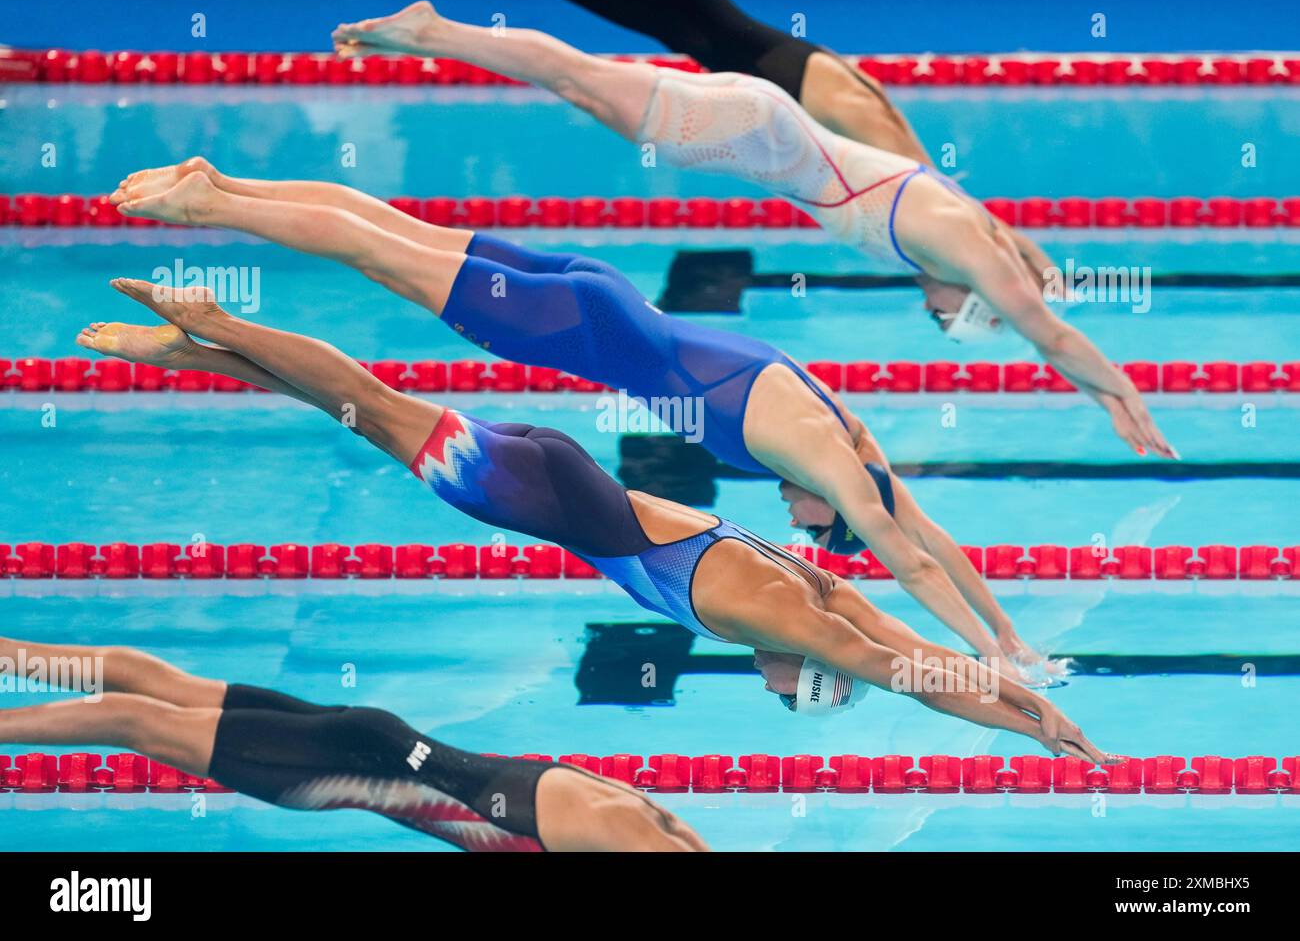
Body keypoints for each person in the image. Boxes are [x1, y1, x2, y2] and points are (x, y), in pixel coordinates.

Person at [71, 276, 1115, 764]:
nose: (765, 681)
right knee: (374, 407)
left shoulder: (812, 587)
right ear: (812, 669)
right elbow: (917, 677)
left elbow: (904, 642)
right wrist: (1040, 727)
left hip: (562, 465)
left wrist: (1031, 705)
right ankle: (221, 326)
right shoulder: (798, 623)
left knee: (371, 409)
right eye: (787, 691)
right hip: (537, 496)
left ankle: (192, 353)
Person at [109, 156, 1048, 676]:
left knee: (394, 233)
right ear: (834, 508)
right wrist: (980, 658)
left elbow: (924, 531)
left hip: (604, 298)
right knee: (377, 254)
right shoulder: (834, 470)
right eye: (817, 524)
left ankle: (227, 188)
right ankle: (208, 205)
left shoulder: (847, 435)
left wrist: (1006, 636)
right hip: (571, 327)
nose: (798, 522)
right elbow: (910, 553)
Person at [329, 1, 1178, 460]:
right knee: (579, 79)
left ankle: (434, 35)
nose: (931, 309)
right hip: (753, 132)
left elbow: (1029, 297)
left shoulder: (953, 239)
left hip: (756, 134)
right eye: (943, 315)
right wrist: (1118, 394)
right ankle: (431, 32)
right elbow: (1048, 330)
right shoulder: (958, 246)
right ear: (974, 297)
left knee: (585, 88)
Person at [0, 635, 707, 851]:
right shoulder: (635, 841)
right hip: (330, 767)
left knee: (155, 684)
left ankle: (9, 654)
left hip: (367, 735)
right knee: (130, 718)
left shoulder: (661, 824)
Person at [546, 0, 1057, 276]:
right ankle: (1028, 260)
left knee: (932, 184)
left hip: (767, 62)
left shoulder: (865, 115)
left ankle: (1029, 260)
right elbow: (957, 207)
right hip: (775, 64)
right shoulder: (867, 119)